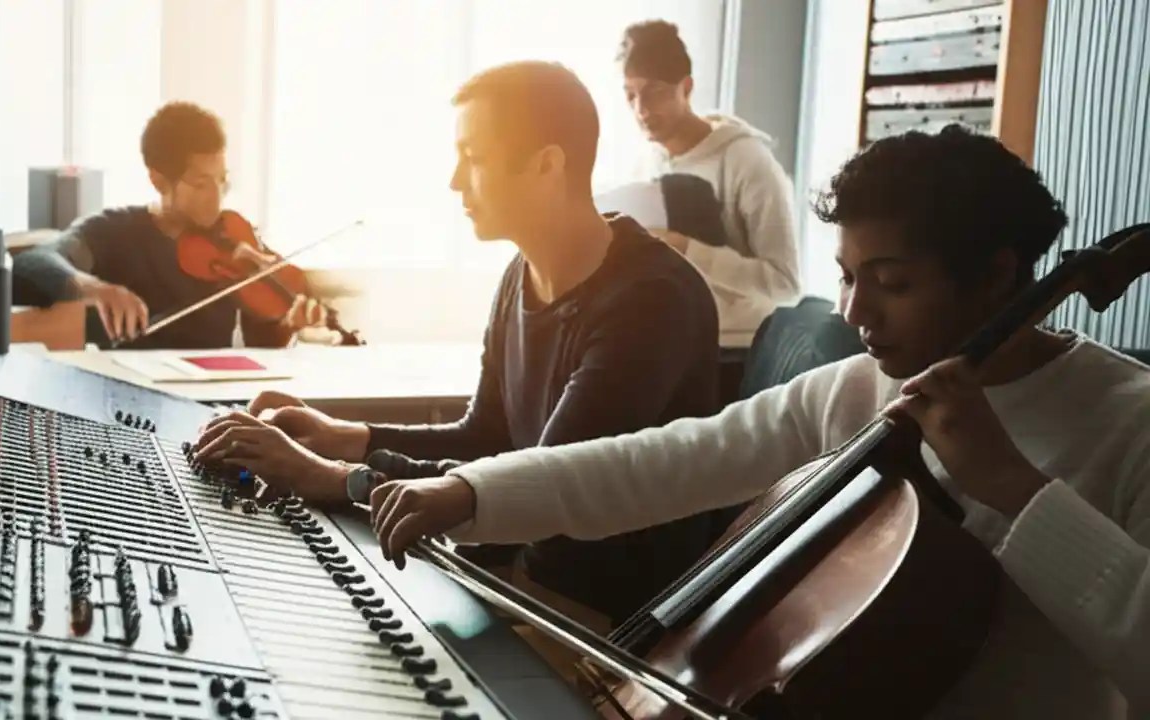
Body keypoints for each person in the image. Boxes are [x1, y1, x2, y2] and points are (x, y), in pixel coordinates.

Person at [369, 126, 1150, 719]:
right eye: (846, 278)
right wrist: (470, 492)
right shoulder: (856, 389)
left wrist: (1015, 487)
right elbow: (667, 462)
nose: (854, 314)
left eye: (893, 283)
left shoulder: (1131, 420)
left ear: (998, 277)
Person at [194, 61, 724, 626]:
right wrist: (349, 438)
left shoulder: (650, 300)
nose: (454, 181)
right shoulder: (522, 272)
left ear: (547, 165)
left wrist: (325, 475)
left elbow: (541, 492)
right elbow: (487, 438)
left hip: (591, 617)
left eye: (473, 158)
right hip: (515, 573)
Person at [13, 101, 323, 348]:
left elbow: (262, 342)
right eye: (201, 184)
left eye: (222, 180)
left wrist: (286, 326)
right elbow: (35, 261)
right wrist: (92, 288)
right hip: (126, 393)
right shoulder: (114, 230)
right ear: (159, 180)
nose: (216, 198)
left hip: (207, 396)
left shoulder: (233, 239)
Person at [618, 20, 801, 342]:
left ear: (686, 88)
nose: (641, 110)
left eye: (654, 92)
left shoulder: (748, 161)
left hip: (737, 348)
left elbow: (784, 283)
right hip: (667, 342)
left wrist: (687, 249)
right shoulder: (645, 164)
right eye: (630, 95)